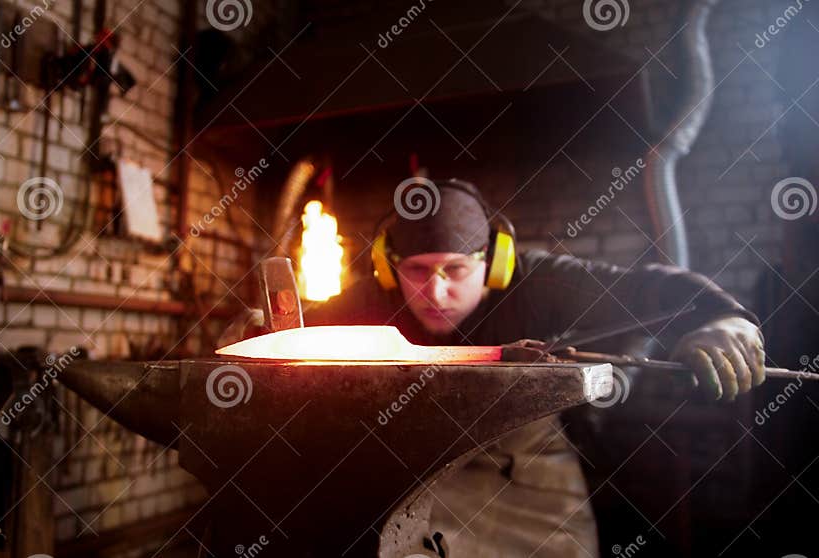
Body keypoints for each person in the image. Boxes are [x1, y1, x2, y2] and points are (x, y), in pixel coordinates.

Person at [219, 178, 766, 557]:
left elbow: (651, 288)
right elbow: (295, 334)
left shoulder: (542, 281)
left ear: (495, 261)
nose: (435, 291)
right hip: (416, 467)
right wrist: (256, 332)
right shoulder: (373, 299)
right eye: (417, 271)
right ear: (390, 270)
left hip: (527, 474)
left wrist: (724, 319)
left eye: (456, 269)